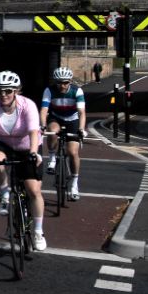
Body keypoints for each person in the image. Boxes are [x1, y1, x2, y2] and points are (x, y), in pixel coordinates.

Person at [0, 70, 46, 252]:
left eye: (8, 91)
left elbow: (34, 131)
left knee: (33, 190)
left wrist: (34, 153)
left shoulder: (27, 105)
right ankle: (5, 193)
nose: (3, 95)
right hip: (5, 145)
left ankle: (38, 232)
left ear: (16, 91)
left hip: (28, 146)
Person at [40, 66, 88, 201]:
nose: (62, 85)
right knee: (52, 131)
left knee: (73, 152)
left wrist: (81, 129)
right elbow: (44, 110)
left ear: (70, 81)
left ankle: (74, 184)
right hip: (56, 117)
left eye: (66, 82)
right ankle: (52, 158)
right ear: (55, 82)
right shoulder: (49, 91)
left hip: (72, 120)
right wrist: (43, 125)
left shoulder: (77, 91)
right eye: (59, 82)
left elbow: (82, 112)